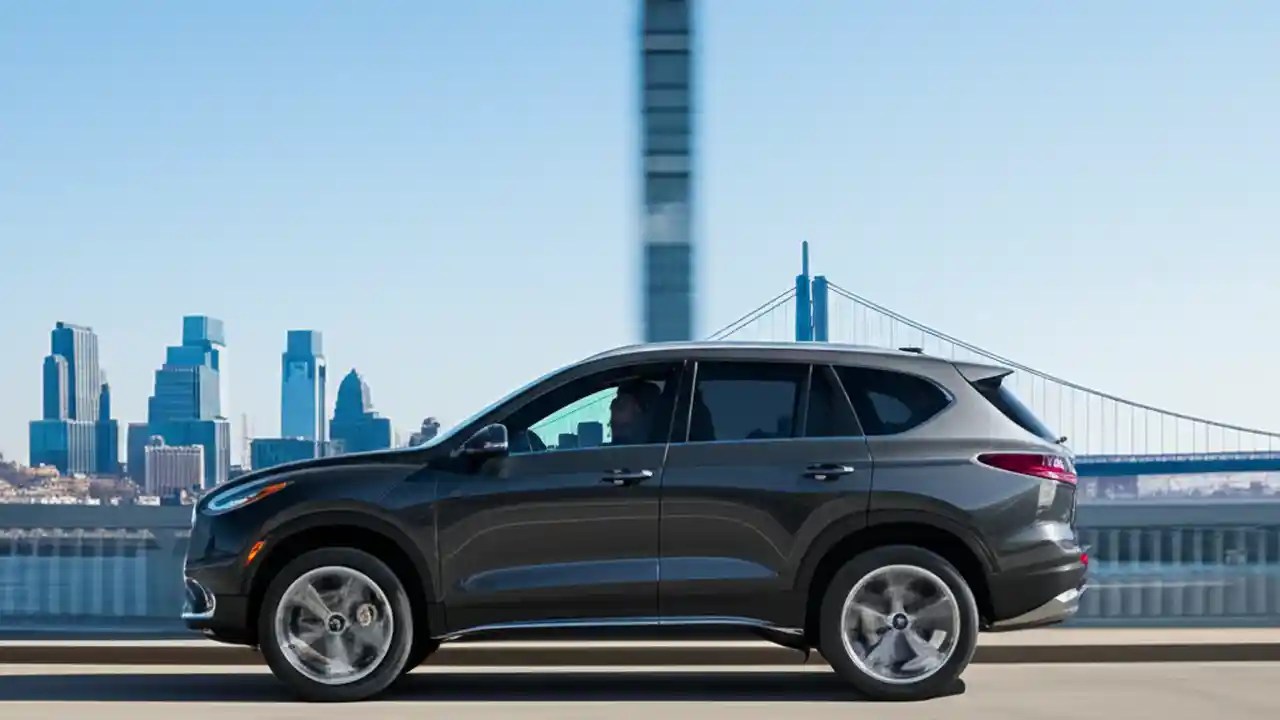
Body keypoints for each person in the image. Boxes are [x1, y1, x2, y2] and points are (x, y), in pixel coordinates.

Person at [609, 379, 661, 445]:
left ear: (639, 408)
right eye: (613, 426)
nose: (612, 406)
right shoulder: (607, 451)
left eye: (622, 404)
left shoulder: (651, 451)